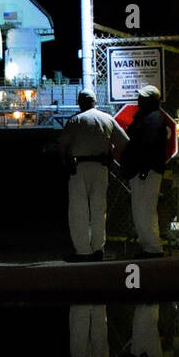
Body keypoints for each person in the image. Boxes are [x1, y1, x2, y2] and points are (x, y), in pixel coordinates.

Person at [59, 91, 129, 260]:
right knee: (99, 209)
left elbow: (62, 144)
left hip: (79, 168)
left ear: (79, 102)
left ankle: (83, 250)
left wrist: (65, 163)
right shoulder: (107, 118)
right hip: (101, 167)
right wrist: (111, 154)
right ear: (95, 101)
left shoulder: (75, 120)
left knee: (78, 210)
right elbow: (125, 142)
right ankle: (98, 249)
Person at [118, 85, 168, 256]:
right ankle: (148, 246)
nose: (139, 101)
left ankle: (153, 247)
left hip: (147, 171)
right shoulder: (147, 117)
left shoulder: (153, 119)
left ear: (152, 100)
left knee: (145, 209)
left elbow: (149, 147)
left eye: (143, 98)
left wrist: (144, 169)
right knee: (141, 210)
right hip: (142, 170)